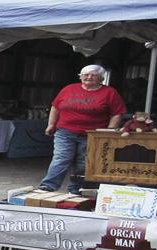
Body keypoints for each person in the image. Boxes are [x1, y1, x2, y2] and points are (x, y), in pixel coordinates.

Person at [37, 64, 127, 194]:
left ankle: (77, 189)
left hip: (92, 135)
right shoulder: (69, 89)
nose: (89, 77)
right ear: (81, 76)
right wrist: (51, 124)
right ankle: (48, 186)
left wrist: (110, 130)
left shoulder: (110, 93)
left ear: (101, 78)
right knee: (61, 159)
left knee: (83, 163)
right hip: (65, 132)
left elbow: (117, 113)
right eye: (86, 74)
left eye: (94, 75)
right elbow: (55, 107)